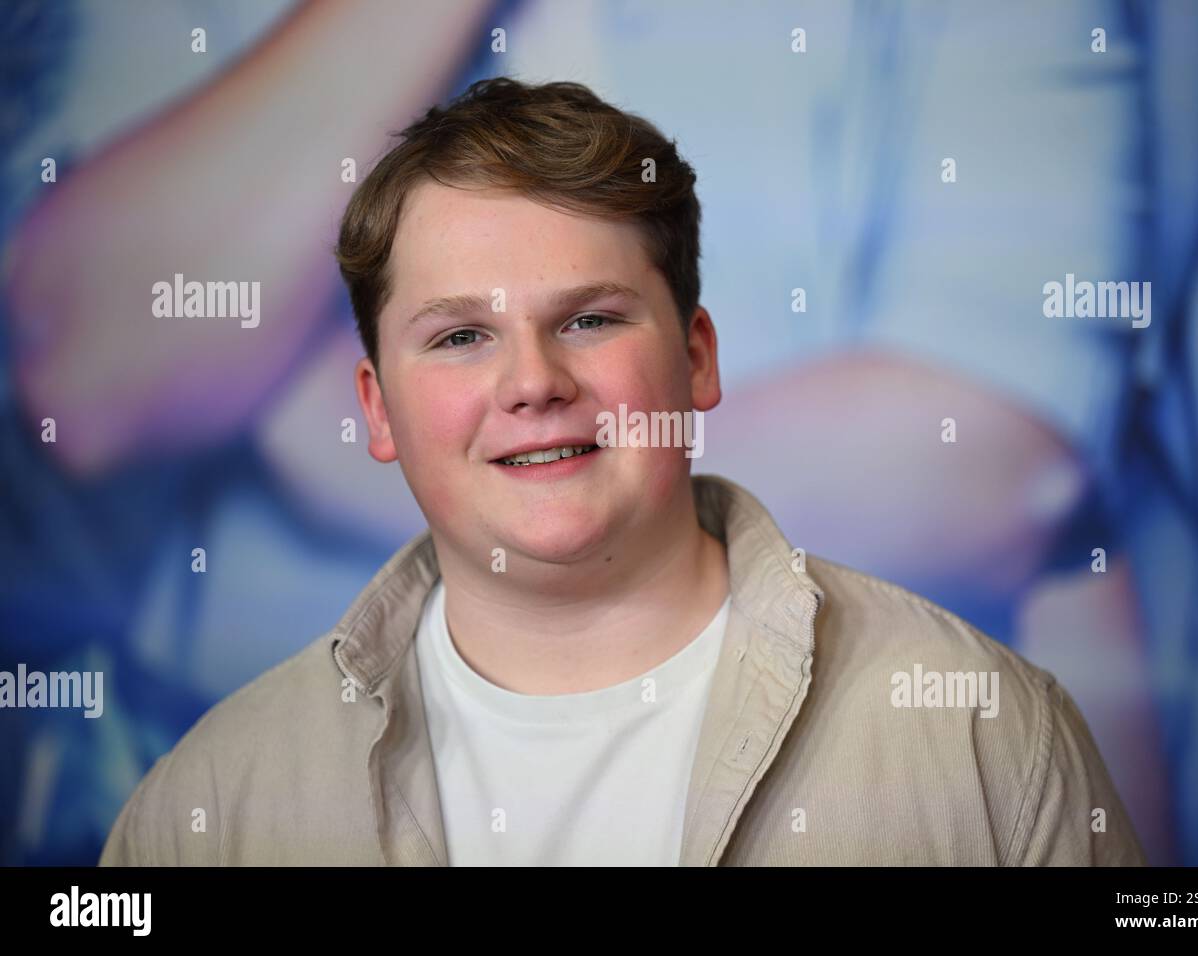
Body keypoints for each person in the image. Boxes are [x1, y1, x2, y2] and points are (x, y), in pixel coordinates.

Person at [98, 78, 1145, 866]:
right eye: (461, 336)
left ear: (696, 357)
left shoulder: (982, 734)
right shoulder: (209, 810)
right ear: (377, 411)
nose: (532, 382)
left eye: (589, 318)